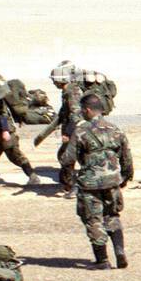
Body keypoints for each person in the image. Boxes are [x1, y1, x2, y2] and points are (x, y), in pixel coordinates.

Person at [60, 94, 133, 269]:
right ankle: (120, 252)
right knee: (112, 216)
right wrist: (125, 177)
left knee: (93, 219)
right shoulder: (115, 129)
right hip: (112, 181)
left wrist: (68, 180)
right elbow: (126, 157)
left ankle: (102, 261)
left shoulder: (81, 131)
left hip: (90, 184)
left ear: (87, 110)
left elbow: (67, 159)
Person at [0, 74, 42, 193]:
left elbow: (2, 114)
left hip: (5, 130)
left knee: (15, 155)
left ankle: (33, 177)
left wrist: (5, 131)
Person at [35, 62, 85, 197]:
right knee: (69, 157)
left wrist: (68, 133)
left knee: (66, 157)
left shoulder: (71, 91)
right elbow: (64, 113)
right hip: (77, 130)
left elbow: (75, 114)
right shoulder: (69, 90)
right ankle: (69, 184)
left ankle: (75, 186)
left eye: (55, 80)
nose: (54, 83)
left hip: (76, 131)